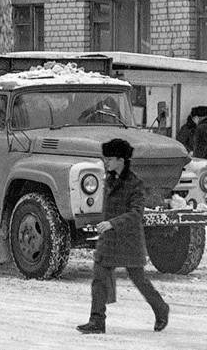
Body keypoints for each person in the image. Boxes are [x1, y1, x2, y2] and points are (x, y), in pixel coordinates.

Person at [77, 139, 170, 335]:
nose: (106, 162)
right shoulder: (109, 179)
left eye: (110, 158)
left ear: (121, 159)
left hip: (128, 239)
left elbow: (136, 213)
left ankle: (161, 308)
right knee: (99, 277)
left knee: (139, 279)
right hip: (109, 239)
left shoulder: (135, 184)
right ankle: (97, 320)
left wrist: (112, 223)